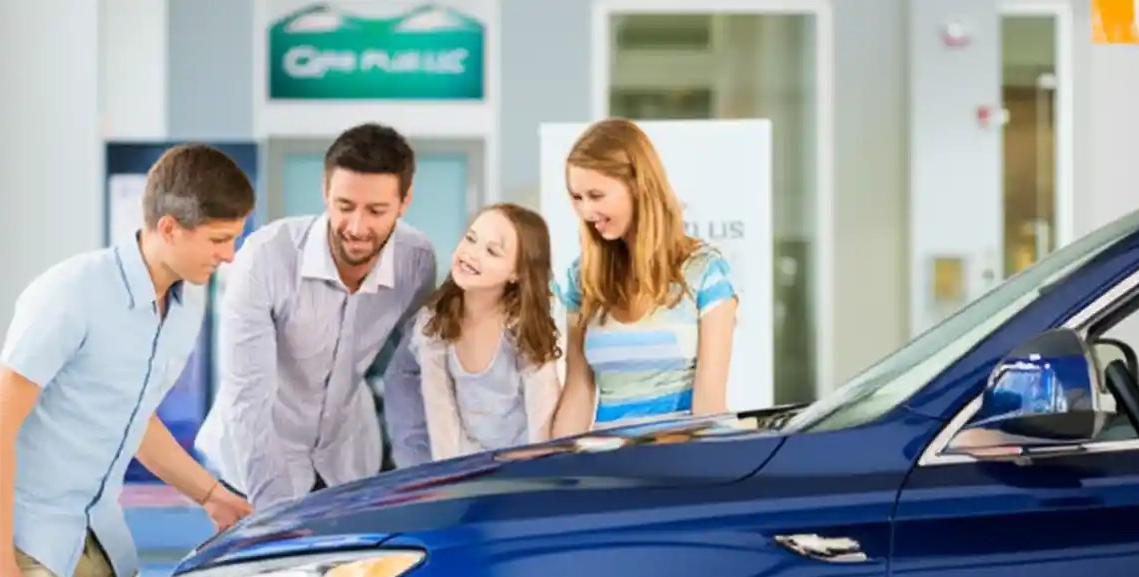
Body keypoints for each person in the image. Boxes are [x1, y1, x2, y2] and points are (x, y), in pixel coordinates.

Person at [0, 144, 256, 577]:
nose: (229, 255)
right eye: (219, 239)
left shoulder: (183, 308)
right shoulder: (71, 292)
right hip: (25, 541)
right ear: (169, 227)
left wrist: (214, 497)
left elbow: (135, 417)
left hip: (103, 546)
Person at [195, 123, 436, 509]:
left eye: (376, 211)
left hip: (347, 463)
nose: (357, 227)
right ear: (325, 191)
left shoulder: (416, 260)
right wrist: (273, 520)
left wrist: (419, 482)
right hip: (251, 464)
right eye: (344, 206)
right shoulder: (266, 258)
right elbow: (247, 398)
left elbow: (406, 375)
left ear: (405, 201)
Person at [552, 118, 738, 434]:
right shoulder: (581, 278)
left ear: (638, 185)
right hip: (609, 467)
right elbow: (577, 393)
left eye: (596, 195)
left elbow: (709, 406)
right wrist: (556, 468)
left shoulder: (704, 273)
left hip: (681, 464)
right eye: (577, 197)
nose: (585, 211)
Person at [382, 203, 562, 467]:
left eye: (492, 251)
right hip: (468, 465)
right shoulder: (432, 325)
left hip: (524, 466)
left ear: (517, 273)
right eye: (471, 239)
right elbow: (441, 418)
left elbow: (542, 421)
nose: (472, 254)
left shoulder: (524, 330)